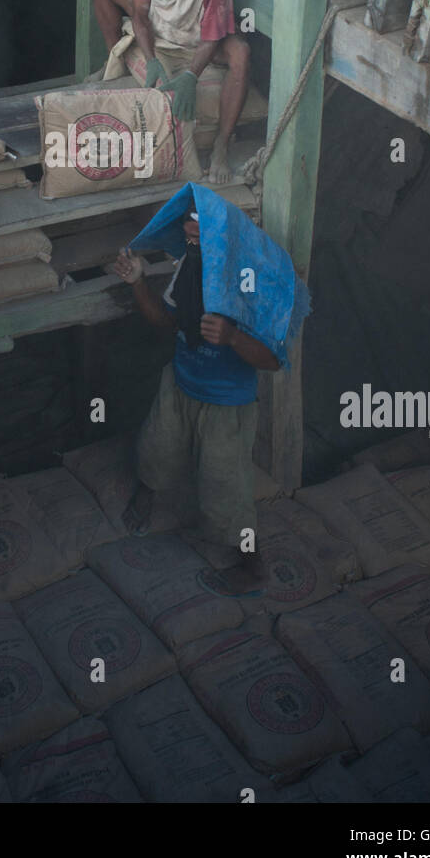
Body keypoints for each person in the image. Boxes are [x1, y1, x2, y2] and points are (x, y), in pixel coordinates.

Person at [112, 182, 309, 581]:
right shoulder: (188, 265)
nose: (191, 230)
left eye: (201, 224)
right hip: (182, 381)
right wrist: (137, 282)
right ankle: (146, 495)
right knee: (156, 449)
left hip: (227, 402)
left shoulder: (250, 280)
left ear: (224, 234)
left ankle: (251, 562)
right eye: (188, 220)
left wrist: (234, 336)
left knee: (227, 492)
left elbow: (273, 361)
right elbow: (167, 323)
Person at [90, 0, 251, 185]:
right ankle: (113, 59)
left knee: (241, 53)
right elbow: (139, 13)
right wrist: (151, 59)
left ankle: (221, 145)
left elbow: (211, 38)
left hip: (195, 39)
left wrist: (190, 76)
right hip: (158, 27)